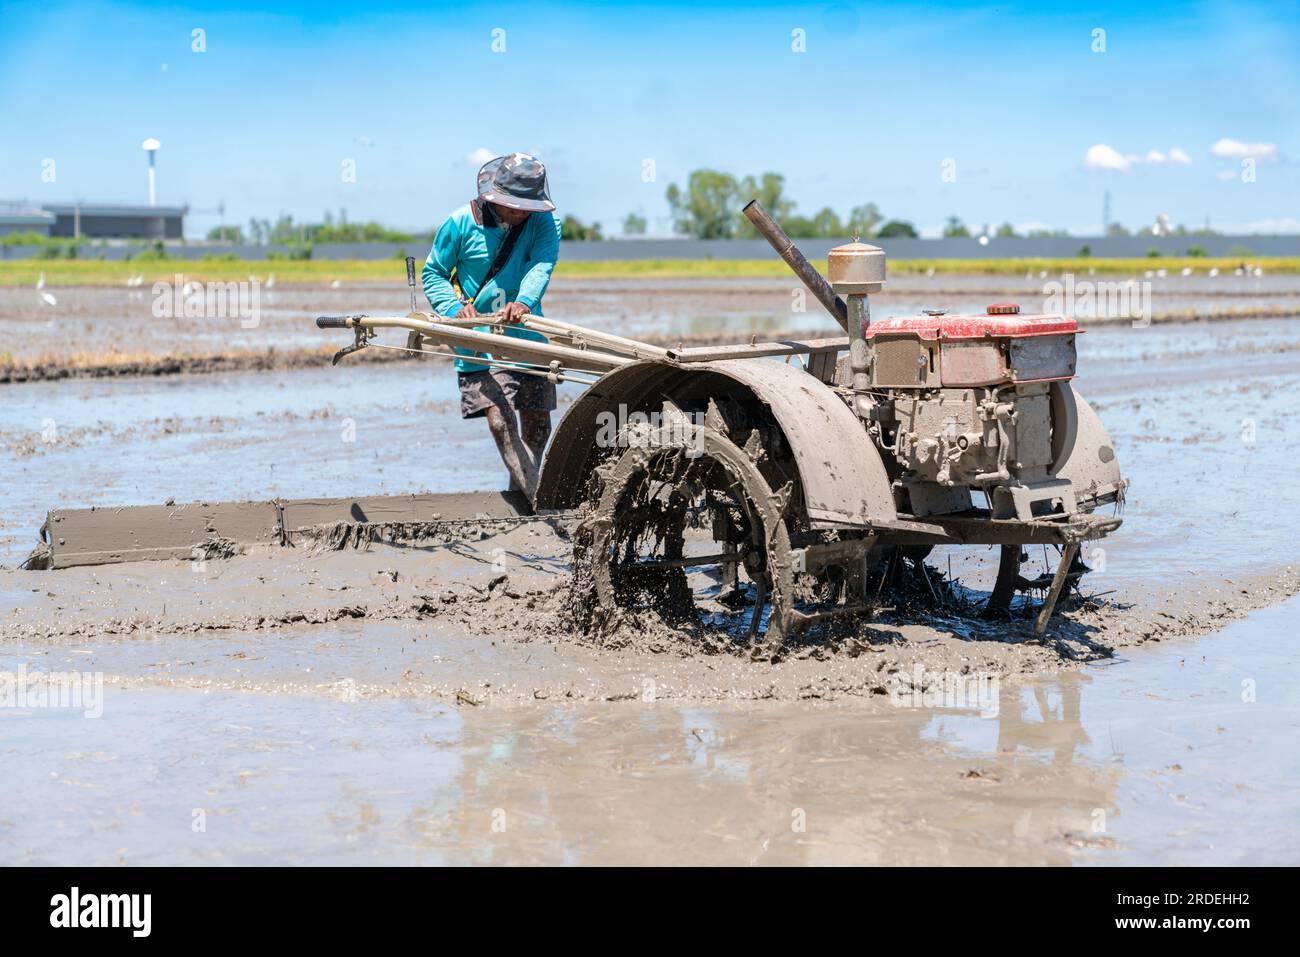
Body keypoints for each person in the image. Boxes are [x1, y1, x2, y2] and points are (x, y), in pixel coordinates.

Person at [421, 153, 561, 498]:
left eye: (527, 206)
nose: (521, 213)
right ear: (493, 196)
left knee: (538, 426)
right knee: (499, 420)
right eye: (514, 206)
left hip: (526, 336)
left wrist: (524, 301)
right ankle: (539, 505)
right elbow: (434, 272)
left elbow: (541, 264)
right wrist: (453, 307)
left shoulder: (544, 223)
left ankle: (523, 495)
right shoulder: (459, 223)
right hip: (478, 341)